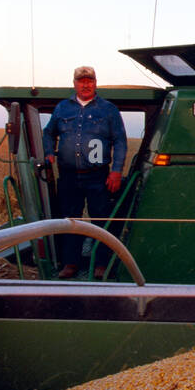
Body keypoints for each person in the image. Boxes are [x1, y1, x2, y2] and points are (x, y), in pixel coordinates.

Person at [43, 65, 128, 279]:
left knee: (101, 220)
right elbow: (48, 133)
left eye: (89, 80)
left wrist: (116, 171)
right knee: (70, 220)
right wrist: (48, 153)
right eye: (81, 81)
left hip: (98, 176)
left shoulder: (109, 110)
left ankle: (101, 265)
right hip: (69, 176)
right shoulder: (62, 108)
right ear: (75, 84)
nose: (86, 84)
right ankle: (70, 264)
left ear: (95, 83)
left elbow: (119, 141)